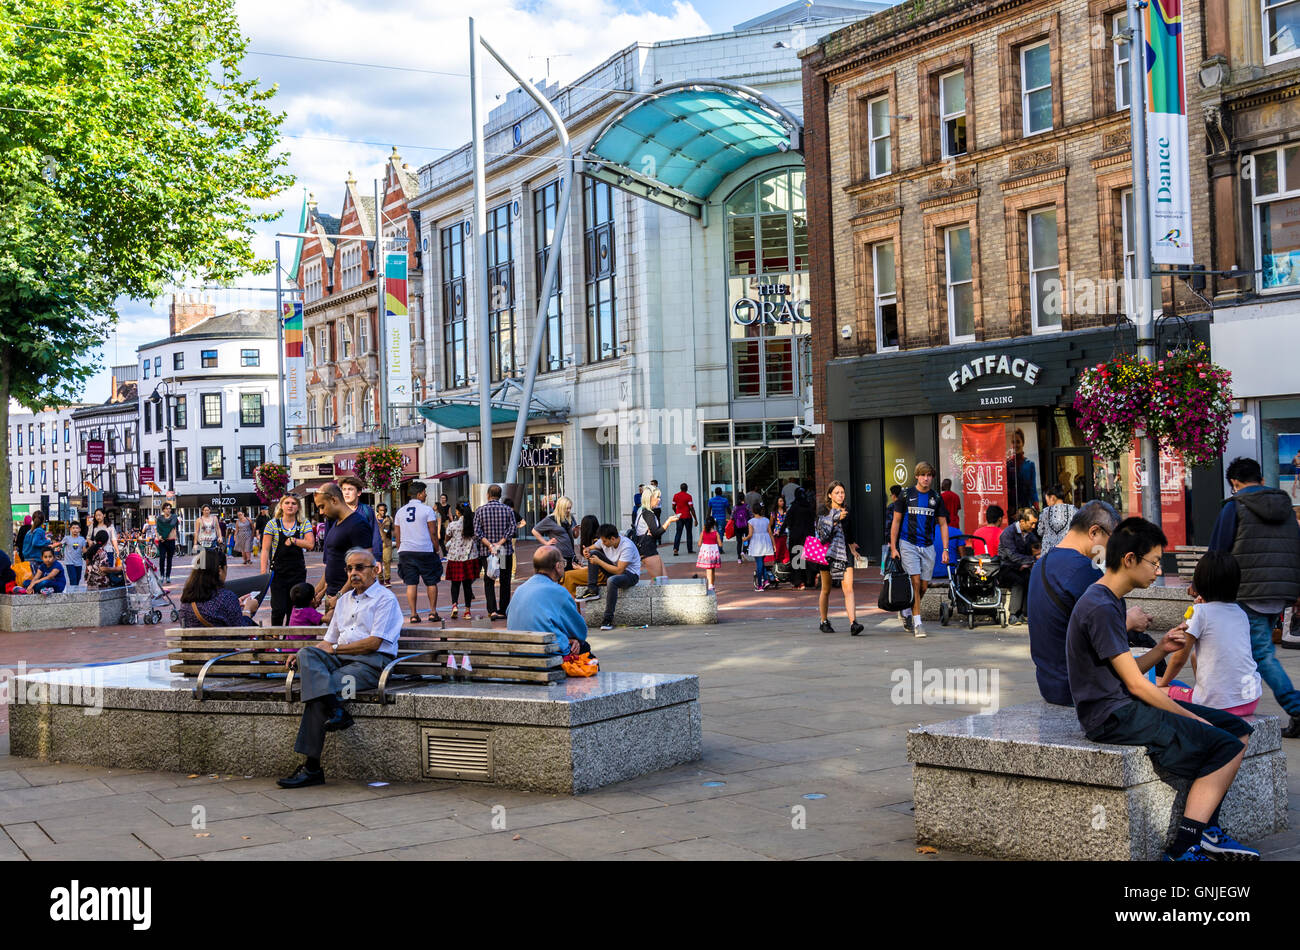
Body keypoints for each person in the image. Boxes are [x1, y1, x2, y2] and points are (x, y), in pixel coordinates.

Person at [1066, 517, 1259, 861]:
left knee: (1237, 730)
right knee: (1221, 742)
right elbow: (1137, 685)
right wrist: (1192, 718)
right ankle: (1184, 848)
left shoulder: (1111, 600)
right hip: (1111, 717)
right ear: (1129, 559)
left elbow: (1124, 671)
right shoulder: (1099, 605)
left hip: (1122, 704)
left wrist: (1160, 650)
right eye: (1154, 562)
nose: (1158, 570)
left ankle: (1207, 832)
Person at [277, 548, 403, 789]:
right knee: (305, 653)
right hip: (341, 659)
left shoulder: (385, 599)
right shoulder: (344, 601)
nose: (354, 573)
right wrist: (306, 655)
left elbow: (374, 643)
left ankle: (312, 768)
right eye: (349, 569)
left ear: (375, 570)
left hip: (371, 666)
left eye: (360, 568)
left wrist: (334, 650)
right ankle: (337, 710)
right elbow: (328, 640)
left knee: (318, 695)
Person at [1028, 500, 1155, 706]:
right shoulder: (1084, 570)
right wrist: (1129, 621)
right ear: (1094, 532)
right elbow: (1100, 634)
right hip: (1081, 688)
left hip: (1050, 685)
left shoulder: (1041, 564)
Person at [1208, 456, 1300, 737]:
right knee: (1250, 651)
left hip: (1249, 591)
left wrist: (1202, 585)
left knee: (1261, 653)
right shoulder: (1286, 507)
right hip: (1280, 592)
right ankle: (1242, 704)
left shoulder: (1235, 506)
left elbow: (1218, 551)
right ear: (1261, 479)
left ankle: (1296, 707)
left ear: (1234, 483)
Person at [1157, 552, 1263, 717]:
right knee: (1195, 656)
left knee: (1152, 687)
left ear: (1200, 582)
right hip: (1250, 701)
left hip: (1218, 705)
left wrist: (1162, 684)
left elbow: (1178, 658)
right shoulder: (1240, 613)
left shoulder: (1200, 612)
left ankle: (1202, 698)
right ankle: (1203, 692)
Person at [889, 462, 950, 638]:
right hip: (908, 543)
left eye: (929, 475)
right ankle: (918, 623)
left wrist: (945, 549)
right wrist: (893, 547)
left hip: (928, 546)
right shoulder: (906, 494)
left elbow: (943, 523)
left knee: (924, 586)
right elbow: (896, 522)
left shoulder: (936, 498)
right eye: (922, 475)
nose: (926, 478)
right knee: (915, 582)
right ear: (916, 476)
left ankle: (907, 610)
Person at [507, 547, 589, 657]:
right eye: (563, 563)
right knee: (586, 649)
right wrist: (568, 639)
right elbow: (580, 632)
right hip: (546, 658)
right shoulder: (559, 592)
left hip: (518, 655)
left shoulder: (520, 589)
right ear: (558, 566)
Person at [312, 483, 374, 608]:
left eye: (322, 506)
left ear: (334, 500)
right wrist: (319, 591)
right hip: (334, 596)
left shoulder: (357, 524)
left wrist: (340, 595)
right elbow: (333, 561)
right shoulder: (335, 524)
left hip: (350, 599)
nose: (321, 512)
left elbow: (364, 568)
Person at [260, 494, 315, 627]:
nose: (290, 506)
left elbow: (310, 544)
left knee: (294, 609)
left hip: (297, 572)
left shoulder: (303, 523)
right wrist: (263, 572)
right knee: (278, 609)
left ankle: (290, 641)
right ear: (281, 506)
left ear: (298, 507)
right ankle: (275, 639)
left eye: (294, 503)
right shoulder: (272, 524)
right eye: (287, 503)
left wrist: (294, 540)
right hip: (278, 572)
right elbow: (265, 549)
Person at [817, 481, 863, 635]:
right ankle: (823, 621)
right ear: (830, 495)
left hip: (844, 551)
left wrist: (852, 547)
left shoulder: (847, 510)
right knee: (826, 589)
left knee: (848, 588)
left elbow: (849, 531)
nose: (840, 495)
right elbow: (822, 534)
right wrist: (836, 518)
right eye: (837, 492)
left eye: (842, 492)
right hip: (827, 552)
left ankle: (853, 623)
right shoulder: (823, 510)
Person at [395, 481, 443, 624]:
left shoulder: (400, 511)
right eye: (424, 492)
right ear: (420, 493)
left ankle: (414, 614)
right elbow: (433, 532)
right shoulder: (427, 510)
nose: (426, 495)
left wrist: (400, 548)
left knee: (411, 583)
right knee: (431, 581)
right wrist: (436, 547)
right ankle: (433, 612)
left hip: (406, 551)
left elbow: (397, 534)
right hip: (424, 550)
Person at [179, 547, 259, 627]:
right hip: (221, 639)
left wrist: (234, 604)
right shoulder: (226, 598)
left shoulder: (187, 598)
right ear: (220, 570)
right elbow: (242, 632)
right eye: (226, 568)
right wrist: (247, 610)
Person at [581, 523, 640, 631]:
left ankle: (607, 619)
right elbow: (591, 548)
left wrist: (599, 562)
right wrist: (586, 551)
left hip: (630, 575)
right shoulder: (604, 540)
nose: (602, 544)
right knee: (593, 553)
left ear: (612, 539)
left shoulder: (627, 546)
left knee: (612, 580)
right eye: (602, 541)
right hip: (614, 569)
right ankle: (592, 589)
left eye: (604, 541)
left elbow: (619, 571)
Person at [473, 484, 517, 621]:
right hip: (503, 551)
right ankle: (503, 610)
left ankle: (491, 610)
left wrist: (490, 544)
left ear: (488, 495)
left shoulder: (480, 511)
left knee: (489, 579)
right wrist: (499, 543)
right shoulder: (507, 510)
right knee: (504, 579)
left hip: (488, 552)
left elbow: (477, 531)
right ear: (500, 495)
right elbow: (512, 529)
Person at [996, 506, 1039, 624]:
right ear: (1022, 522)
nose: (1034, 526)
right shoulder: (1008, 534)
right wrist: (1033, 559)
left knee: (1030, 579)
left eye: (1035, 523)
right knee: (1018, 581)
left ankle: (1025, 613)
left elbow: (1037, 546)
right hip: (1006, 568)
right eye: (1032, 523)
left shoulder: (1029, 534)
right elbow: (1012, 556)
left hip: (1021, 567)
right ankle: (1014, 614)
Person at [632, 485, 678, 579]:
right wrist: (668, 522)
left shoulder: (642, 510)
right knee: (658, 581)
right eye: (657, 497)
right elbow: (656, 533)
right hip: (648, 548)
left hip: (647, 547)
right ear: (650, 498)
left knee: (662, 579)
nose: (659, 500)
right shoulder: (647, 513)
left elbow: (653, 532)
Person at [444, 502, 480, 620]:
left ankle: (454, 605)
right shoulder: (473, 524)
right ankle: (467, 611)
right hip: (469, 557)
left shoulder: (453, 525)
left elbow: (446, 538)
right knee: (467, 585)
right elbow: (477, 537)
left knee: (455, 584)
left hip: (455, 557)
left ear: (458, 512)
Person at [337, 475, 383, 562]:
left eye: (350, 489)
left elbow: (375, 535)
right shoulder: (336, 512)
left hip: (362, 559)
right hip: (341, 560)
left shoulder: (367, 511)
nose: (346, 493)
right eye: (344, 489)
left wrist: (377, 559)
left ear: (359, 492)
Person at [562, 515, 604, 598]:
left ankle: (572, 606)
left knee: (567, 576)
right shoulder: (596, 540)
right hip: (597, 573)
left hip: (599, 575)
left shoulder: (596, 543)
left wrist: (580, 569)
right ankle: (573, 605)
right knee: (566, 576)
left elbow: (599, 566)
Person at [532, 496, 577, 570]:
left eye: (570, 508)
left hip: (571, 554)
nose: (569, 510)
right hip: (559, 555)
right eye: (567, 508)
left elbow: (575, 536)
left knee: (570, 578)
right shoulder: (550, 519)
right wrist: (546, 543)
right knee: (560, 578)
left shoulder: (571, 517)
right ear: (560, 507)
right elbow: (534, 531)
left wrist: (576, 531)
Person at [786, 488, 817, 590]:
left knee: (797, 559)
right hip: (809, 536)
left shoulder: (794, 507)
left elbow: (788, 521)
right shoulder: (809, 507)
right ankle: (810, 580)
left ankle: (799, 582)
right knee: (808, 559)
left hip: (796, 537)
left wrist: (780, 531)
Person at [1037, 484, 1077, 557]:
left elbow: (1040, 532)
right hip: (1068, 552)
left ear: (1052, 498)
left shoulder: (1045, 512)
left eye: (1047, 500)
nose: (1047, 503)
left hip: (1048, 554)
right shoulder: (1074, 510)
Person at [1006, 427, 1038, 510]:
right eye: (1013, 442)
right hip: (1011, 509)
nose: (1015, 445)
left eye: (1018, 442)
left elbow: (1033, 488)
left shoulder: (1030, 464)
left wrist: (1036, 506)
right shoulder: (1007, 464)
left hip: (1026, 507)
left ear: (1023, 443)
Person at [746, 503, 776, 591]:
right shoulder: (766, 520)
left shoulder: (751, 521)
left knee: (759, 564)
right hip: (765, 542)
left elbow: (750, 534)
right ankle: (766, 580)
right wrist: (774, 544)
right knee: (761, 562)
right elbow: (770, 533)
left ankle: (760, 585)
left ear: (753, 511)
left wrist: (744, 539)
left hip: (756, 543)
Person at [154, 503, 179, 583]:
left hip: (171, 540)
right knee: (161, 558)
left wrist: (172, 537)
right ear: (163, 510)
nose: (168, 510)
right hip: (162, 541)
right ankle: (162, 575)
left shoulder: (174, 517)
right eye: (167, 508)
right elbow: (157, 529)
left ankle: (168, 576)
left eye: (169, 508)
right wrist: (159, 537)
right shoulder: (160, 519)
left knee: (169, 559)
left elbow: (172, 526)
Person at [696, 516, 722, 592]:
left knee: (708, 569)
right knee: (713, 569)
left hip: (706, 552)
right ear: (714, 524)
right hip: (714, 553)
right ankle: (712, 584)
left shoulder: (703, 533)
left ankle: (710, 585)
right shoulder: (716, 533)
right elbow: (720, 544)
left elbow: (699, 544)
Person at [671, 483, 696, 556]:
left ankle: (675, 549)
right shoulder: (688, 496)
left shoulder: (676, 496)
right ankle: (690, 549)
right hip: (687, 517)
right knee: (689, 533)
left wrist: (677, 513)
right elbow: (691, 508)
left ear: (680, 488)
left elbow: (673, 506)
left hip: (679, 517)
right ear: (687, 488)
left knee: (678, 533)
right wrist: (695, 519)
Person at [61, 521, 86, 589]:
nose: (75, 530)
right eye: (73, 528)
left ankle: (75, 593)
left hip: (79, 563)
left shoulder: (82, 539)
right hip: (69, 562)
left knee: (78, 580)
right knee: (73, 580)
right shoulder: (67, 538)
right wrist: (52, 546)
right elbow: (60, 544)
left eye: (77, 528)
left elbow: (84, 550)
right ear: (70, 529)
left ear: (80, 529)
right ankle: (72, 595)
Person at [882, 485, 903, 566]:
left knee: (892, 561)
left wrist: (889, 539)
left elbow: (889, 524)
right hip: (905, 538)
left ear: (894, 495)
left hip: (894, 538)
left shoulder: (892, 506)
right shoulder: (906, 505)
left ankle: (889, 575)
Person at [707, 488, 731, 556]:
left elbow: (709, 511)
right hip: (721, 519)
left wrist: (707, 519)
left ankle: (715, 548)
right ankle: (719, 549)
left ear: (715, 493)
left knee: (714, 533)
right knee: (720, 534)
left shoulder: (711, 500)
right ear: (721, 493)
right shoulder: (724, 500)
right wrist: (731, 516)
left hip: (714, 519)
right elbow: (728, 510)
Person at [375, 503, 394, 584]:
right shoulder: (374, 519)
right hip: (377, 543)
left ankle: (387, 579)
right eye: (381, 510)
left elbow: (393, 530)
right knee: (378, 561)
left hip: (387, 543)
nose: (383, 512)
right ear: (378, 511)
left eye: (384, 510)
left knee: (387, 561)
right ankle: (380, 578)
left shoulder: (389, 519)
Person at [771, 495, 790, 569]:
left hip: (786, 533)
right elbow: (771, 524)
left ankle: (785, 566)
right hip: (777, 535)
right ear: (777, 502)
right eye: (780, 501)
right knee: (778, 551)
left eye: (783, 501)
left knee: (786, 551)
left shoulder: (787, 510)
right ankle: (778, 567)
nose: (782, 502)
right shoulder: (774, 513)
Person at [731, 495, 751, 563]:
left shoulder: (735, 507)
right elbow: (751, 515)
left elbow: (731, 517)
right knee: (746, 539)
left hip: (737, 526)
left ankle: (739, 558)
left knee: (739, 542)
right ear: (744, 499)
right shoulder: (747, 506)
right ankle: (744, 551)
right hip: (745, 525)